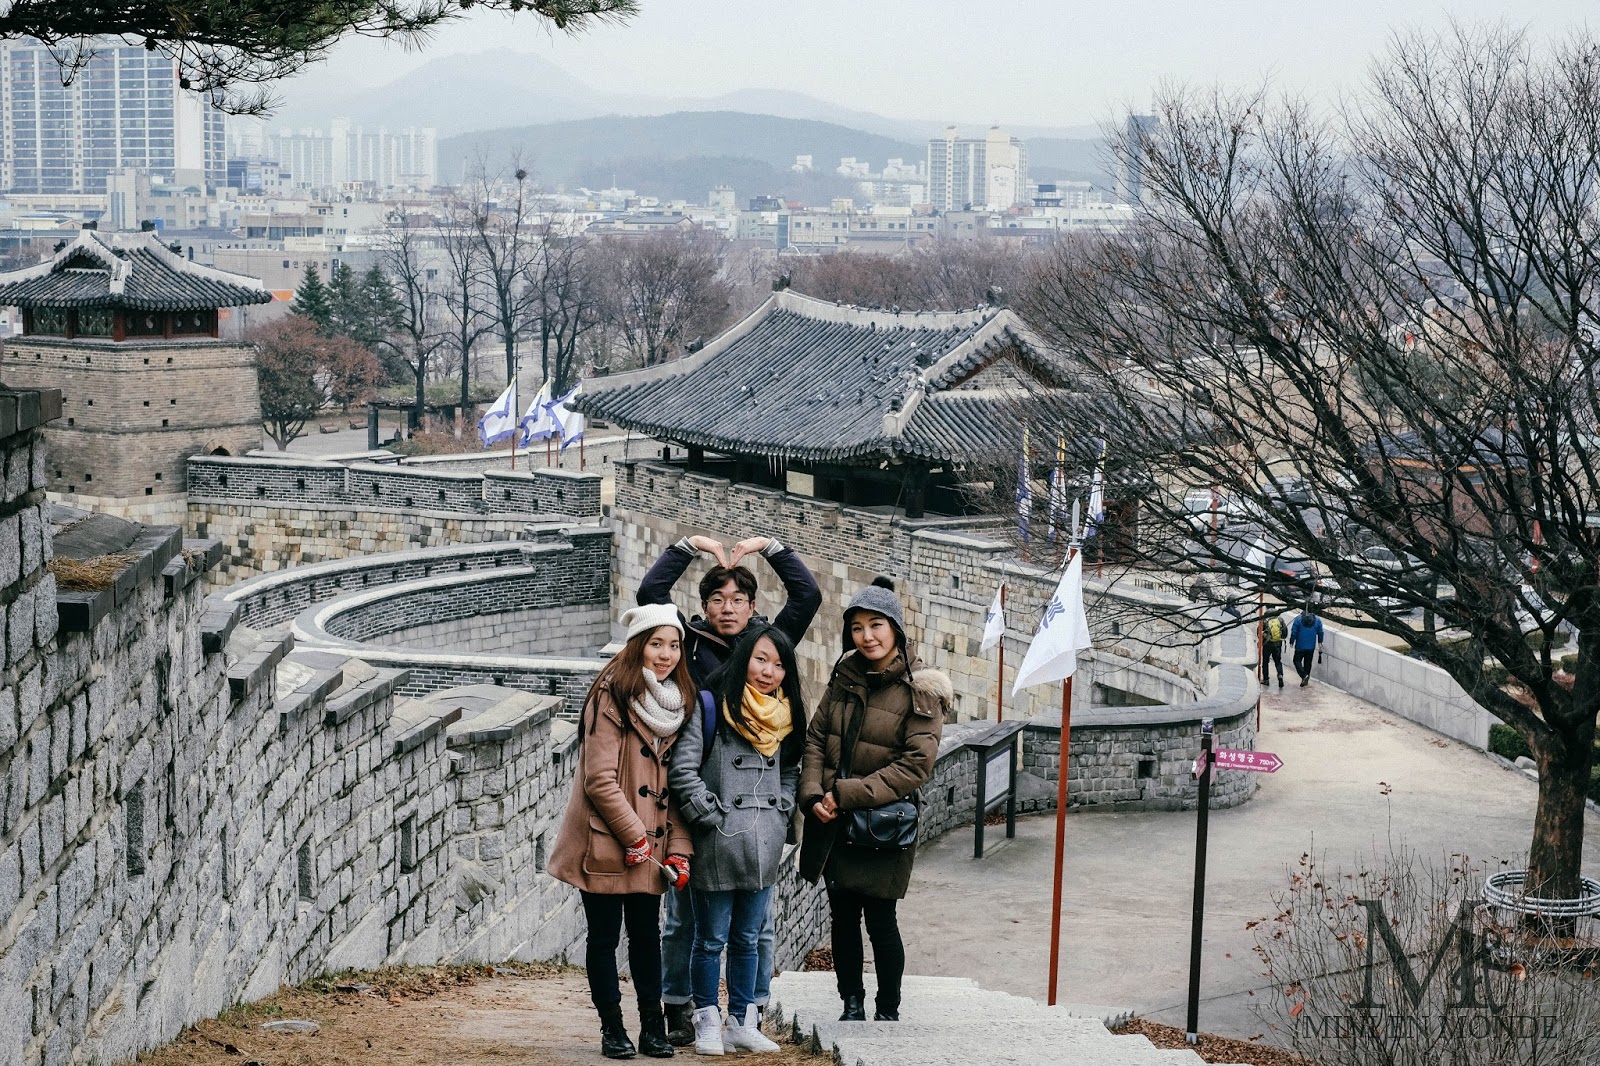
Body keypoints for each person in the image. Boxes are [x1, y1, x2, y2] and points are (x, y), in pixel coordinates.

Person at [638, 533, 820, 1044]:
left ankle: (748, 1012)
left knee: (753, 928)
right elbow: (650, 593)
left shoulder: (767, 646)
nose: (728, 608)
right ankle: (682, 1008)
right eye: (717, 599)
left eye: (738, 599)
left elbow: (807, 597)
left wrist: (772, 547)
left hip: (756, 812)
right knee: (684, 919)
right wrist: (686, 546)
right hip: (697, 794)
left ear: (753, 606)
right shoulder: (688, 643)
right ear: (703, 606)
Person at [798, 577, 950, 1023]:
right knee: (842, 918)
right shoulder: (844, 677)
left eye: (876, 625)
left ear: (896, 630)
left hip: (884, 825)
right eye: (859, 627)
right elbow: (815, 738)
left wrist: (843, 795)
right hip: (833, 820)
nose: (867, 636)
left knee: (881, 921)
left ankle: (888, 1008)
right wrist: (811, 797)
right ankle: (851, 1003)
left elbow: (914, 766)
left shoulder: (922, 689)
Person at [549, 604, 695, 1060]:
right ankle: (612, 1028)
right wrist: (634, 836)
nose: (666, 654)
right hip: (608, 840)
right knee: (604, 937)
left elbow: (682, 783)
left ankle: (653, 1027)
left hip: (654, 846)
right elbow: (599, 780)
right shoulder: (611, 695)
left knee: (647, 936)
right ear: (638, 646)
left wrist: (681, 850)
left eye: (674, 645)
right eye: (656, 644)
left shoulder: (681, 703)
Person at [669, 625, 806, 1056]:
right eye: (761, 659)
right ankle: (707, 1020)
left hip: (762, 842)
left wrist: (782, 808)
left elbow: (790, 769)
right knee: (709, 939)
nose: (768, 671)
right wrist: (709, 814)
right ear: (744, 656)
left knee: (748, 938)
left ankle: (742, 1021)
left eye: (779, 664)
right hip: (718, 841)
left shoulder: (785, 715)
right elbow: (683, 771)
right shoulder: (710, 705)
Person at [1289, 607, 1324, 687]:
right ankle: (1306, 678)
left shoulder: (1298, 619)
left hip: (1300, 646)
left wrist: (1291, 641)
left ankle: (1303, 675)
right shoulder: (1317, 620)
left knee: (1296, 661)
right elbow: (1321, 632)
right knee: (1308, 663)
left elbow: (1294, 631)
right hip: (1311, 646)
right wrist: (1320, 642)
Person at [1261, 611, 1287, 689]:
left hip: (1267, 644)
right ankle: (1280, 675)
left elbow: (1259, 631)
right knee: (1278, 661)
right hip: (1278, 645)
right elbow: (1285, 632)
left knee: (1265, 662)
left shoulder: (1265, 621)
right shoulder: (1280, 620)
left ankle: (1266, 679)